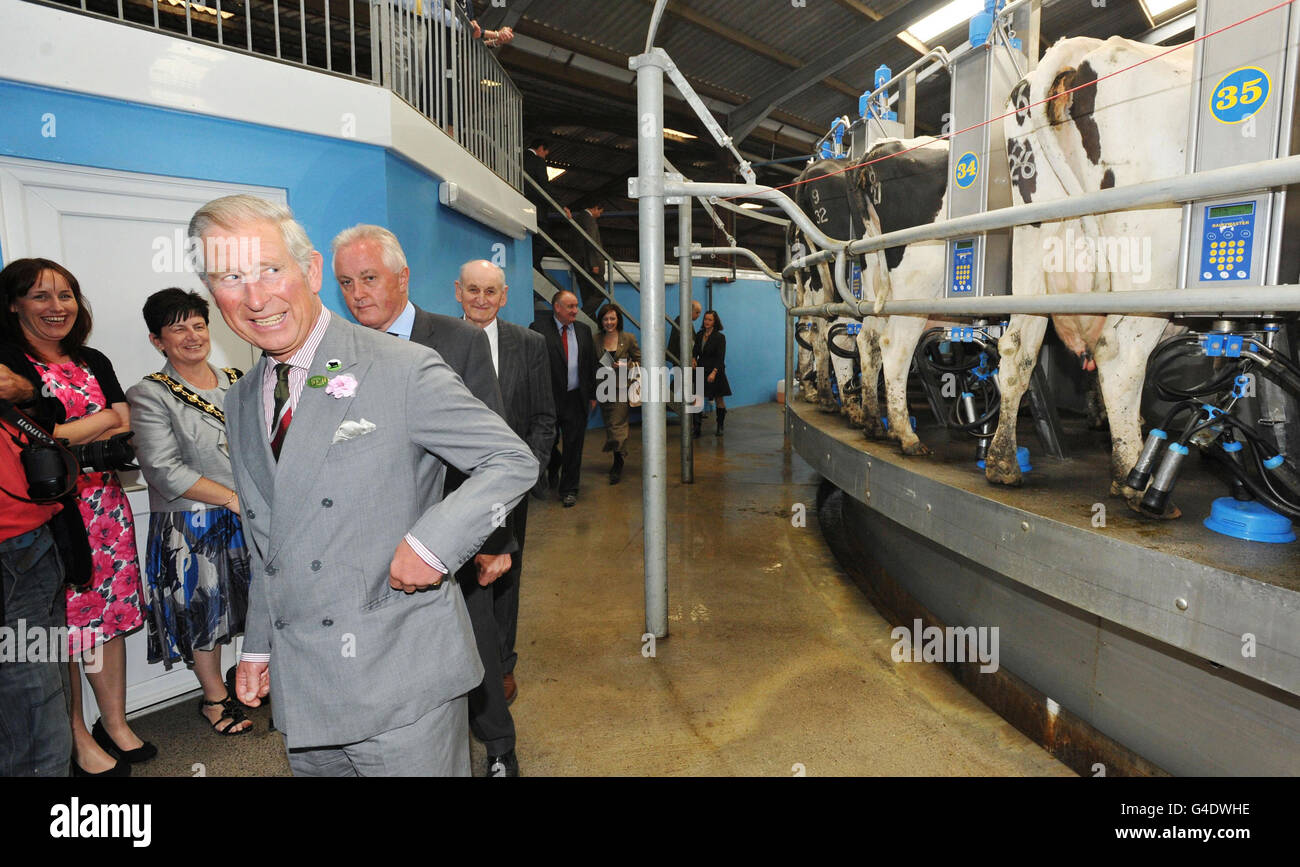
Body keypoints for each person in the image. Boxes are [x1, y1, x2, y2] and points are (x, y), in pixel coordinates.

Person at [194, 195, 536, 777]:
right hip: (306, 691)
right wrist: (257, 645)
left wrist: (434, 543)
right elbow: (267, 540)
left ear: (310, 271)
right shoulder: (242, 396)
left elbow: (510, 459)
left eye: (271, 270)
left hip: (402, 683)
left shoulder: (400, 366)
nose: (256, 298)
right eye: (231, 278)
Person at [332, 226, 519, 776]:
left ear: (403, 277)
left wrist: (493, 539)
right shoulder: (339, 350)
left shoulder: (458, 340)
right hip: (371, 534)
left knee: (476, 643)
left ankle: (501, 749)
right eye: (346, 282)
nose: (358, 293)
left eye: (370, 278)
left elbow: (493, 446)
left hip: (451, 529)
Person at [0, 258, 149, 777]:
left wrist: (72, 426)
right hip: (51, 514)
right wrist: (95, 421)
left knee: (107, 620)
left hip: (106, 507)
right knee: (58, 628)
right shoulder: (8, 362)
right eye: (40, 296)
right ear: (14, 303)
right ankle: (75, 736)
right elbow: (45, 438)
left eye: (65, 295)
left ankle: (115, 722)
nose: (56, 307)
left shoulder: (92, 357)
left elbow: (123, 424)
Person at [124, 289, 253, 737]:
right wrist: (233, 498)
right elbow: (162, 469)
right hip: (194, 521)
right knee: (205, 610)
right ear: (157, 340)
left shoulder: (241, 380)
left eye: (198, 324)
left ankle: (251, 680)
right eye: (178, 327)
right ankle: (214, 699)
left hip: (249, 513)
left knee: (255, 604)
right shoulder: (149, 394)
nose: (192, 335)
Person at [454, 259, 556, 775]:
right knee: (460, 584)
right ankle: (465, 672)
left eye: (490, 291)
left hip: (508, 489)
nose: (481, 298)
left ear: (504, 295)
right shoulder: (437, 343)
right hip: (450, 489)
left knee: (504, 581)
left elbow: (543, 418)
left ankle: (503, 666)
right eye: (472, 290)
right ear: (458, 293)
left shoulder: (529, 344)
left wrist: (526, 478)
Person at [0, 360, 72, 776]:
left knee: (50, 704)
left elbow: (50, 412)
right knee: (36, 732)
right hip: (9, 559)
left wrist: (23, 391)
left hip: (35, 542)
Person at [532, 290, 595, 507]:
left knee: (574, 446)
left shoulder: (584, 331)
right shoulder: (538, 330)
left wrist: (593, 394)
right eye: (570, 307)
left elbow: (591, 364)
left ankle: (569, 489)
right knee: (546, 443)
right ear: (557, 307)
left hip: (576, 399)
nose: (575, 311)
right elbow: (532, 365)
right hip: (548, 400)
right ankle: (553, 463)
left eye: (576, 306)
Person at [593, 302, 640, 485]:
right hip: (603, 388)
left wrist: (624, 366)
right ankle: (619, 454)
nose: (609, 322)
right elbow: (593, 360)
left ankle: (618, 462)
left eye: (612, 318)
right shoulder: (595, 339)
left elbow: (640, 360)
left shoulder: (627, 338)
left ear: (618, 320)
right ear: (601, 321)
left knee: (617, 424)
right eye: (606, 319)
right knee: (610, 424)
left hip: (622, 388)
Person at [524, 139, 570, 276]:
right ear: (541, 148)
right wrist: (561, 206)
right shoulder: (537, 161)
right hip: (536, 210)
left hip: (520, 206)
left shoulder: (518, 159)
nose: (545, 157)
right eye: (545, 153)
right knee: (542, 242)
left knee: (530, 241)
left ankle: (535, 268)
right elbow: (545, 185)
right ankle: (532, 267)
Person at [694, 309, 732, 438]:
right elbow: (695, 351)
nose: (707, 322)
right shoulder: (699, 335)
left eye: (710, 320)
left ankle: (720, 426)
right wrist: (693, 359)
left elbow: (720, 357)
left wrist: (714, 373)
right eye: (705, 319)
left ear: (715, 322)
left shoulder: (720, 337)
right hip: (701, 370)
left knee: (719, 399)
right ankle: (697, 429)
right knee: (697, 400)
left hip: (716, 371)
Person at [573, 204, 607, 319]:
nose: (599, 215)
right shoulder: (589, 220)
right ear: (595, 208)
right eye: (600, 212)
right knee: (600, 293)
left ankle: (589, 320)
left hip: (580, 264)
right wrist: (594, 264)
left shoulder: (579, 217)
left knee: (587, 296)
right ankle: (580, 316)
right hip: (590, 265)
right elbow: (591, 242)